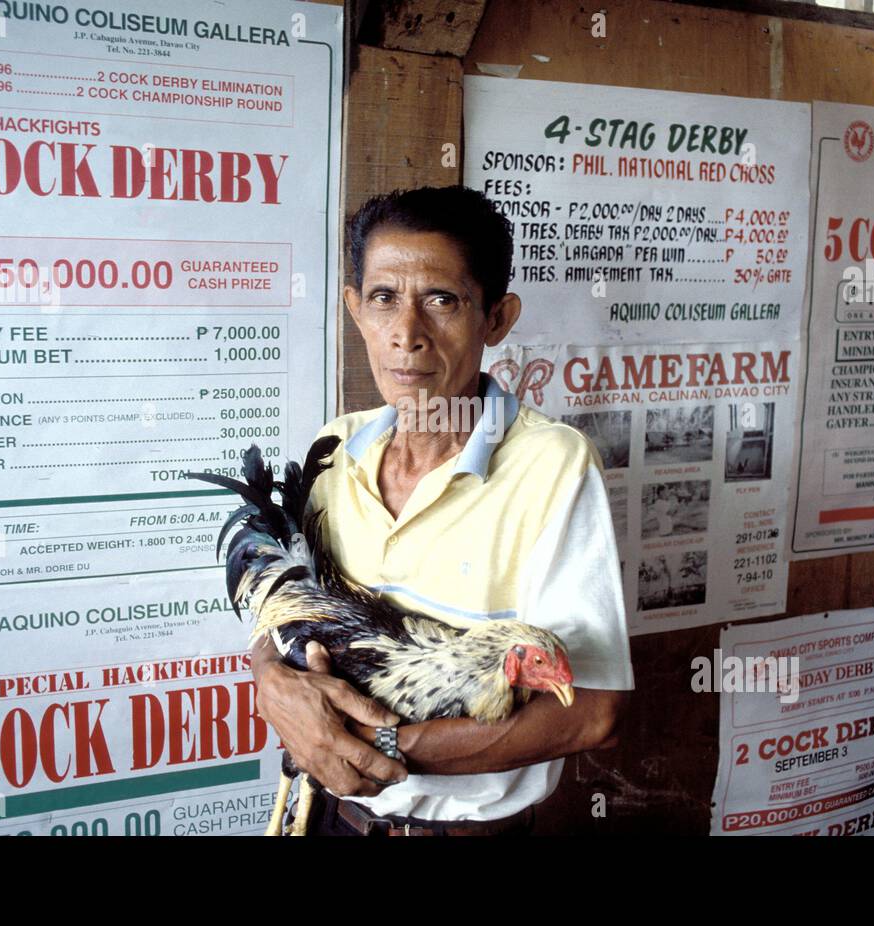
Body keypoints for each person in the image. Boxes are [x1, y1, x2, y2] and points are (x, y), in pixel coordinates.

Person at [249, 185, 635, 835]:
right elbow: (291, 607)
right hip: (329, 816)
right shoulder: (334, 447)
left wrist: (386, 748)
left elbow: (594, 712)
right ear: (355, 310)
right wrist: (271, 681)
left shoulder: (552, 465)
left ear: (497, 318)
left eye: (441, 300)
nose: (407, 335)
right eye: (383, 299)